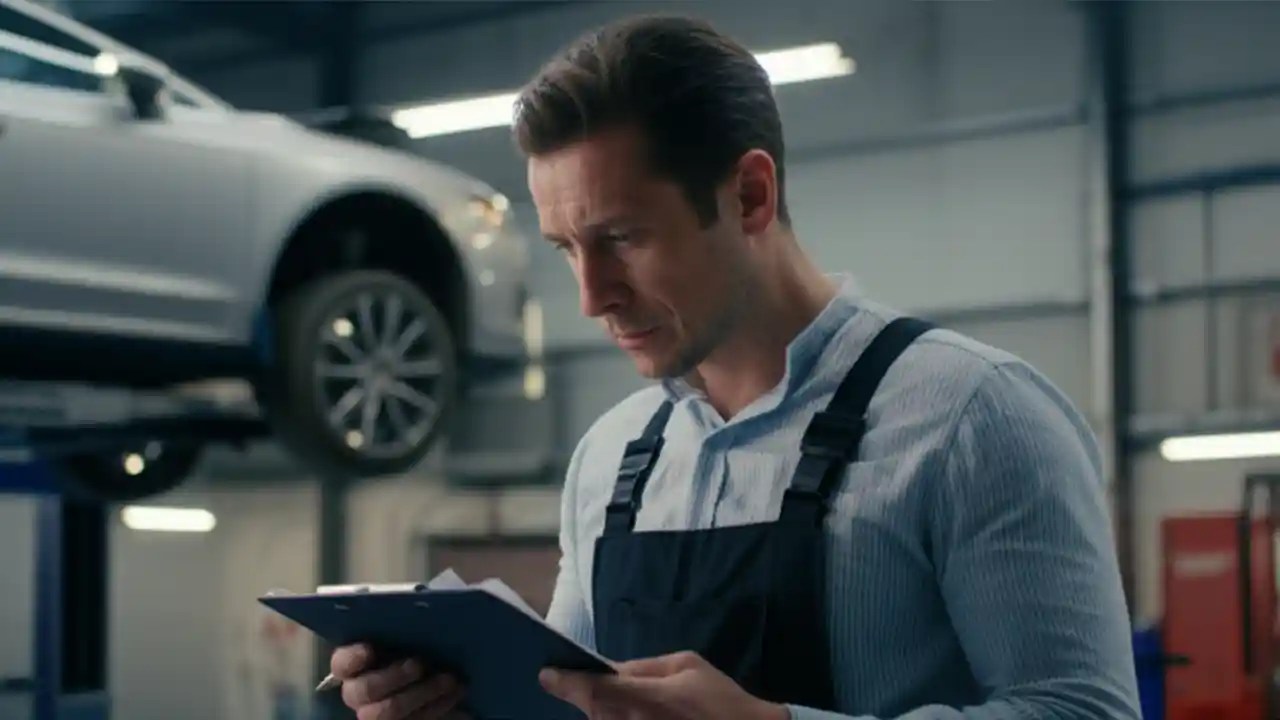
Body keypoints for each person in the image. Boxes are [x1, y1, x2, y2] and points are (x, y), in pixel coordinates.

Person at [328, 13, 1142, 720]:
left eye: (622, 239)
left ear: (749, 196)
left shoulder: (973, 418)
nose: (592, 298)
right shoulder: (611, 460)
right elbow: (574, 707)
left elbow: (1083, 712)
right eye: (566, 249)